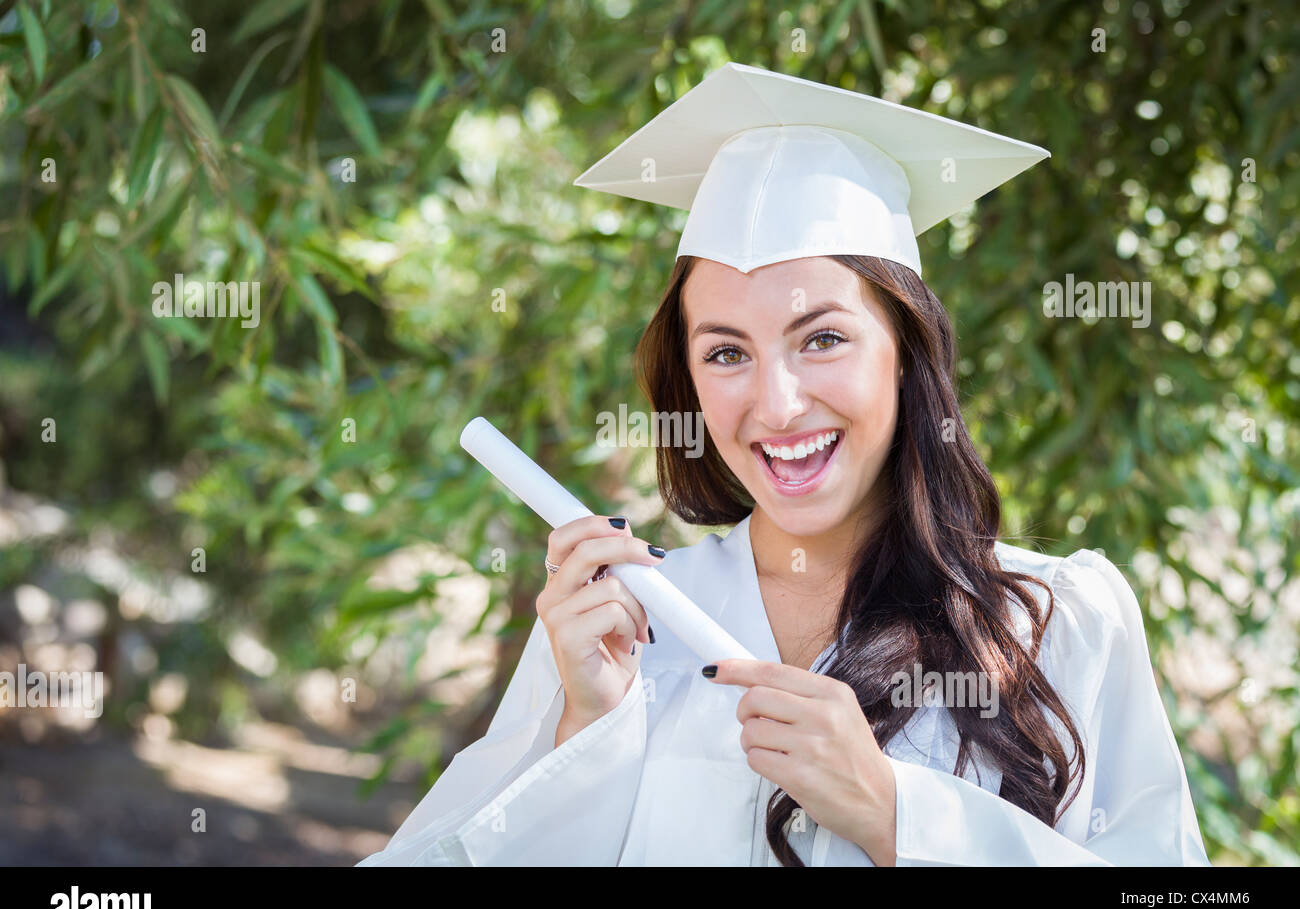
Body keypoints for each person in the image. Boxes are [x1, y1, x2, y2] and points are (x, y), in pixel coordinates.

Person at [357, 62, 1210, 866]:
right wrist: (584, 731)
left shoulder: (1059, 623)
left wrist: (894, 816)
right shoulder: (624, 631)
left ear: (909, 354)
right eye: (726, 354)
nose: (777, 403)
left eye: (824, 339)